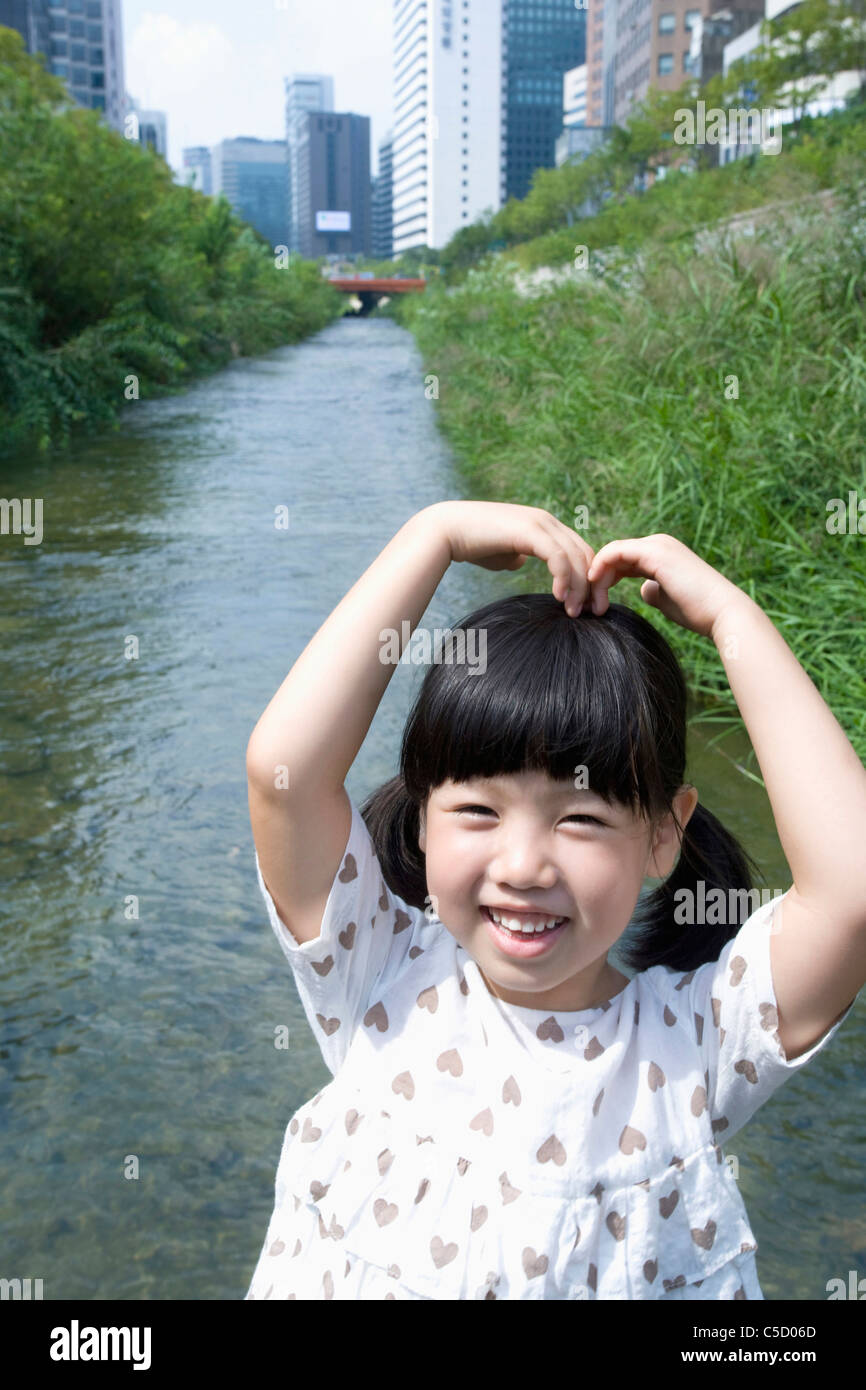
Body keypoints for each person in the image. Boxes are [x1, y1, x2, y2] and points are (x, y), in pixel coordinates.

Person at [242, 500, 865, 1300]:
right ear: (424, 811)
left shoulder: (694, 1048)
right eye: (477, 810)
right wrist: (433, 537)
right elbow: (282, 773)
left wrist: (732, 620)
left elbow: (848, 896)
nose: (525, 865)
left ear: (661, 837)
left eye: (581, 818)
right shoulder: (378, 975)